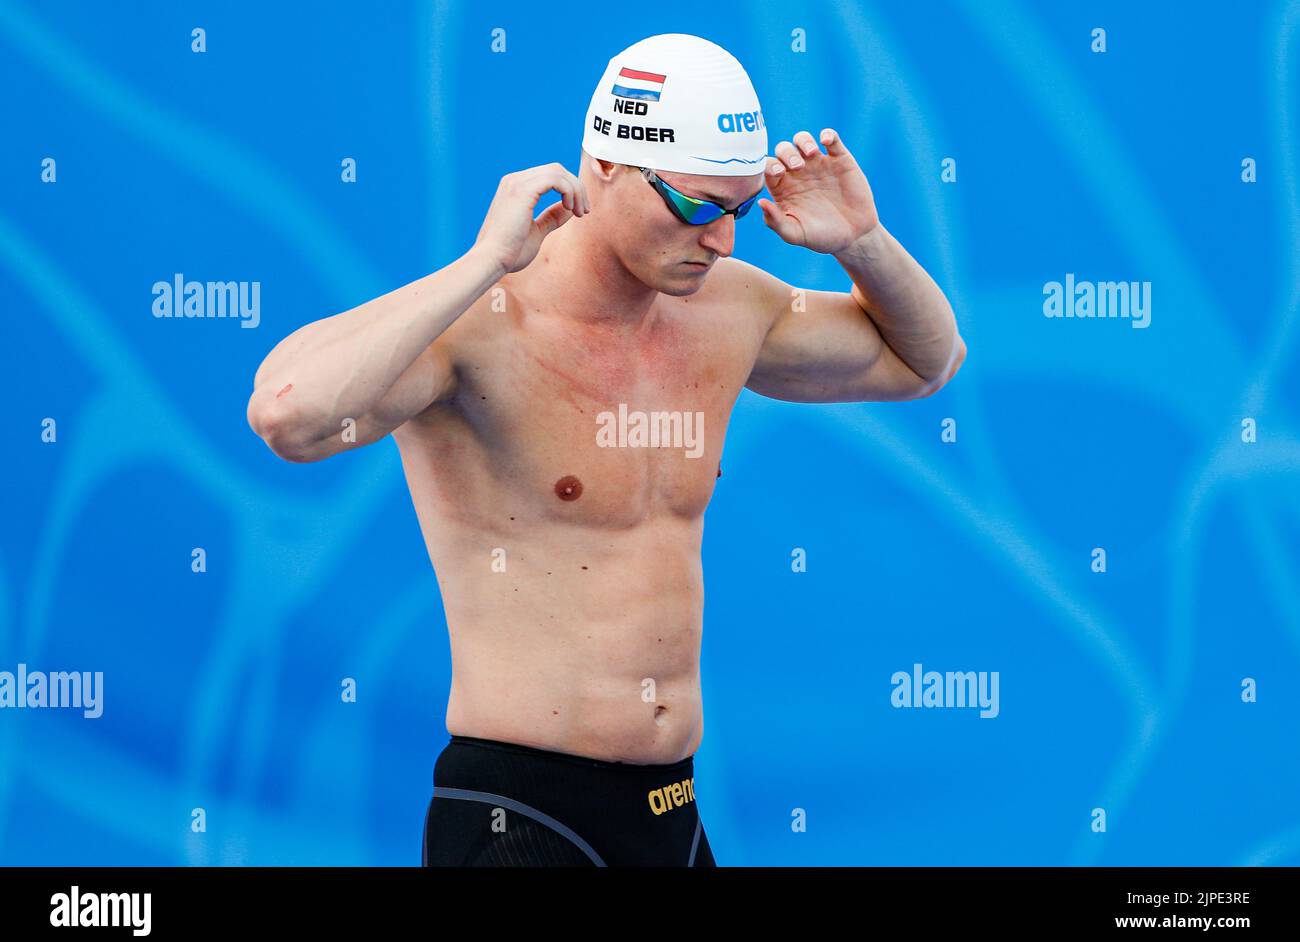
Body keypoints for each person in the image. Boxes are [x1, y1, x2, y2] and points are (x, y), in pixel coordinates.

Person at [246, 33, 965, 866]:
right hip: (520, 813)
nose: (721, 240)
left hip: (672, 811)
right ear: (605, 166)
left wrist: (861, 242)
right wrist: (482, 264)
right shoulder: (477, 332)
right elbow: (288, 418)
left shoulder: (730, 310)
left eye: (736, 212)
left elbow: (927, 362)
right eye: (696, 207)